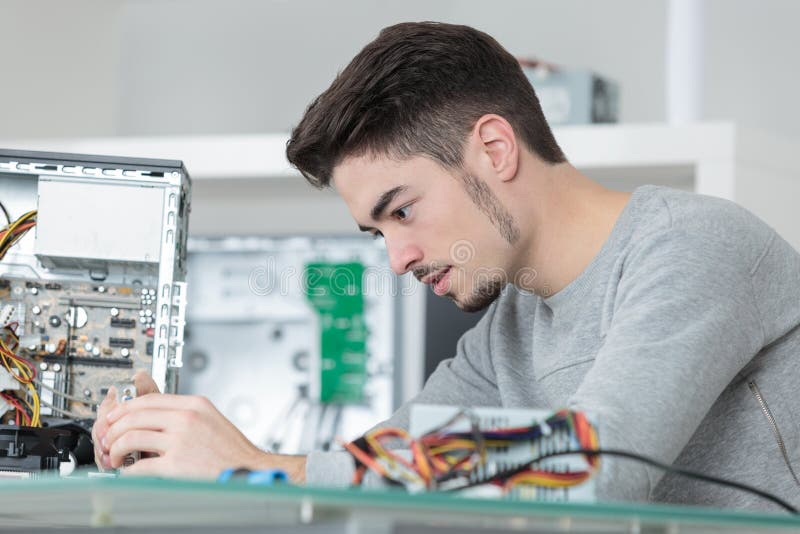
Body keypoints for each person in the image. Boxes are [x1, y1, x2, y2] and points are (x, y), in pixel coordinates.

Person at [93, 22, 800, 510]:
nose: (397, 259)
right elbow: (369, 473)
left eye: (401, 210)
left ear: (494, 150)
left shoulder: (694, 246)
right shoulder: (507, 336)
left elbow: (598, 461)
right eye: (376, 233)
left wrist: (261, 468)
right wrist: (176, 450)